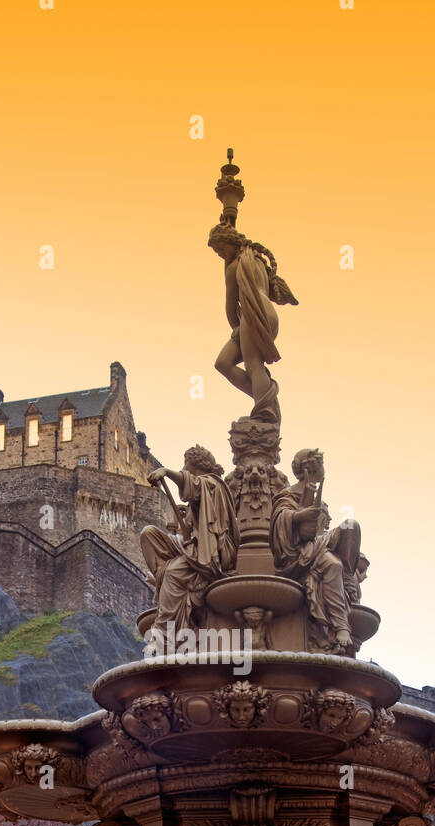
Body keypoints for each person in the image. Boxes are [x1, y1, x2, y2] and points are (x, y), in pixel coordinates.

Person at [140, 446, 239, 643]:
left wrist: (166, 472)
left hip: (208, 555)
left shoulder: (213, 484)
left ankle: (165, 635)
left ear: (197, 465)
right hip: (191, 548)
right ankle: (162, 578)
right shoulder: (199, 491)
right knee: (148, 534)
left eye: (186, 464)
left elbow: (194, 484)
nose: (184, 468)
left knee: (173, 573)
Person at [270, 449, 362, 653]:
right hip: (299, 551)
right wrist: (299, 516)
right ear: (309, 469)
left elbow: (322, 530)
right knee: (332, 564)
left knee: (350, 525)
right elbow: (279, 522)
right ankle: (341, 626)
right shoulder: (288, 494)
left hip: (319, 542)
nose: (323, 470)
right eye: (321, 465)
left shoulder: (320, 500)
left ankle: (347, 574)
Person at [208, 222, 297, 423]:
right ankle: (266, 397)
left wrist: (236, 329)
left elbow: (231, 307)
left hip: (252, 312)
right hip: (269, 314)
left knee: (253, 364)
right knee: (223, 363)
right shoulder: (257, 261)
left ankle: (265, 411)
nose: (221, 254)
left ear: (231, 242)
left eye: (222, 248)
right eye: (217, 252)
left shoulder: (234, 267)